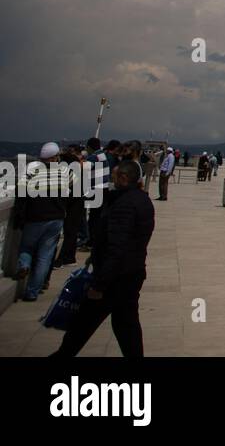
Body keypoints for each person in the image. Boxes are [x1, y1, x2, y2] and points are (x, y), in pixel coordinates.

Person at [52, 159, 155, 358]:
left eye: (114, 176)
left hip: (115, 278)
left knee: (83, 324)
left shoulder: (124, 205)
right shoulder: (143, 200)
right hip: (132, 273)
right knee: (126, 324)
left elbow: (117, 247)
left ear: (124, 178)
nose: (111, 179)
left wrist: (99, 284)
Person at [15, 142, 68, 302]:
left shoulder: (32, 169)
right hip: (56, 218)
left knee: (26, 247)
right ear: (55, 157)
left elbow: (21, 190)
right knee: (45, 256)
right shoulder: (65, 170)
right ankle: (32, 292)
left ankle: (24, 265)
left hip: (35, 216)